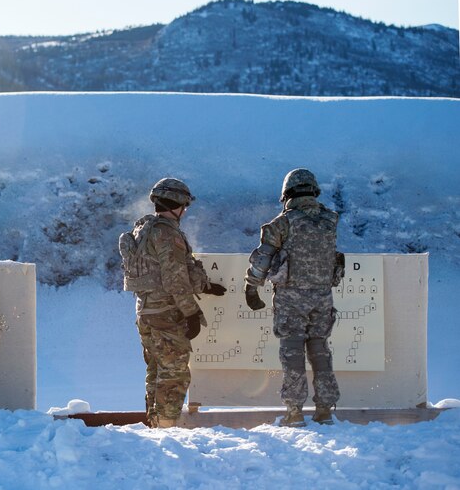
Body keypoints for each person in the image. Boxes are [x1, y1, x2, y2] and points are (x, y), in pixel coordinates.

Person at [119, 178, 226, 428]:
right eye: (185, 206)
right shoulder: (167, 233)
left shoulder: (144, 228)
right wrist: (191, 312)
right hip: (166, 313)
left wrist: (205, 285)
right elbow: (174, 278)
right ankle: (166, 429)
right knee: (174, 374)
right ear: (177, 204)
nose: (185, 211)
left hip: (146, 311)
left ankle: (156, 424)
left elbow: (162, 270)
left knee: (157, 370)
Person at [244, 168, 345, 427]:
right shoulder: (330, 220)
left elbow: (263, 259)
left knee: (292, 354)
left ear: (287, 194)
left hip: (291, 299)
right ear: (314, 191)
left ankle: (295, 411)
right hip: (322, 298)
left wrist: (252, 287)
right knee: (320, 351)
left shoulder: (282, 223)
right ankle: (325, 409)